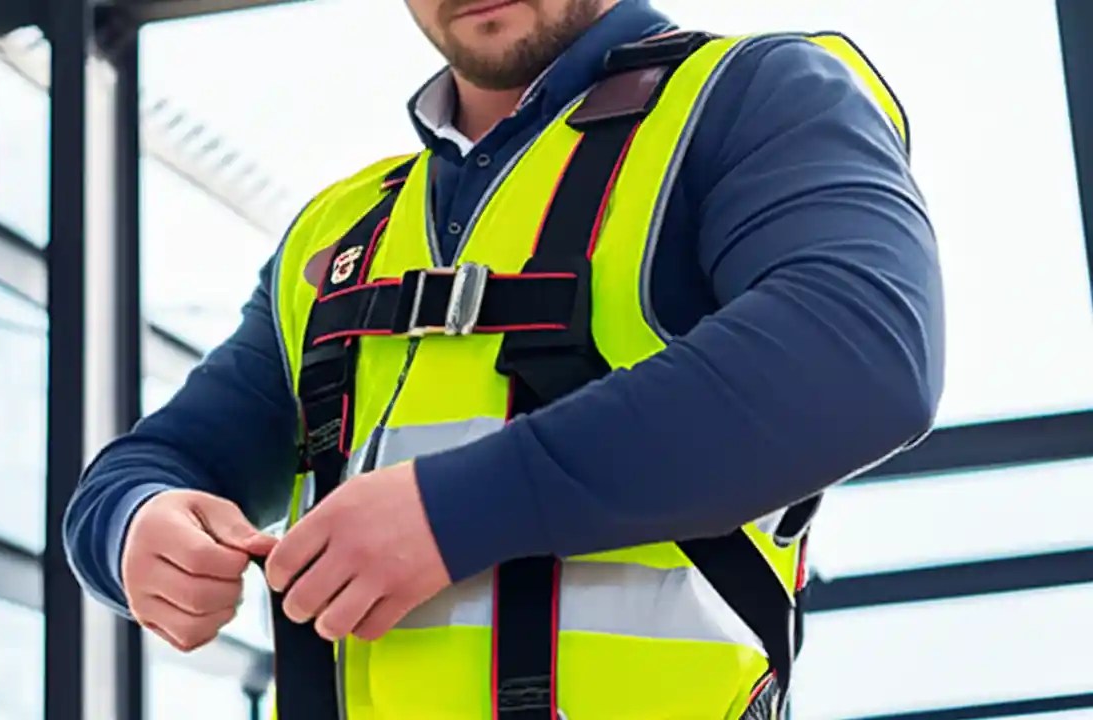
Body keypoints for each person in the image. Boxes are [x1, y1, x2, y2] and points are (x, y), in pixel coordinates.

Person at [64, 0, 944, 717]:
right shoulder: (342, 231)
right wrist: (137, 528)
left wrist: (452, 513)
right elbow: (150, 469)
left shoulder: (752, 99)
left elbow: (861, 351)